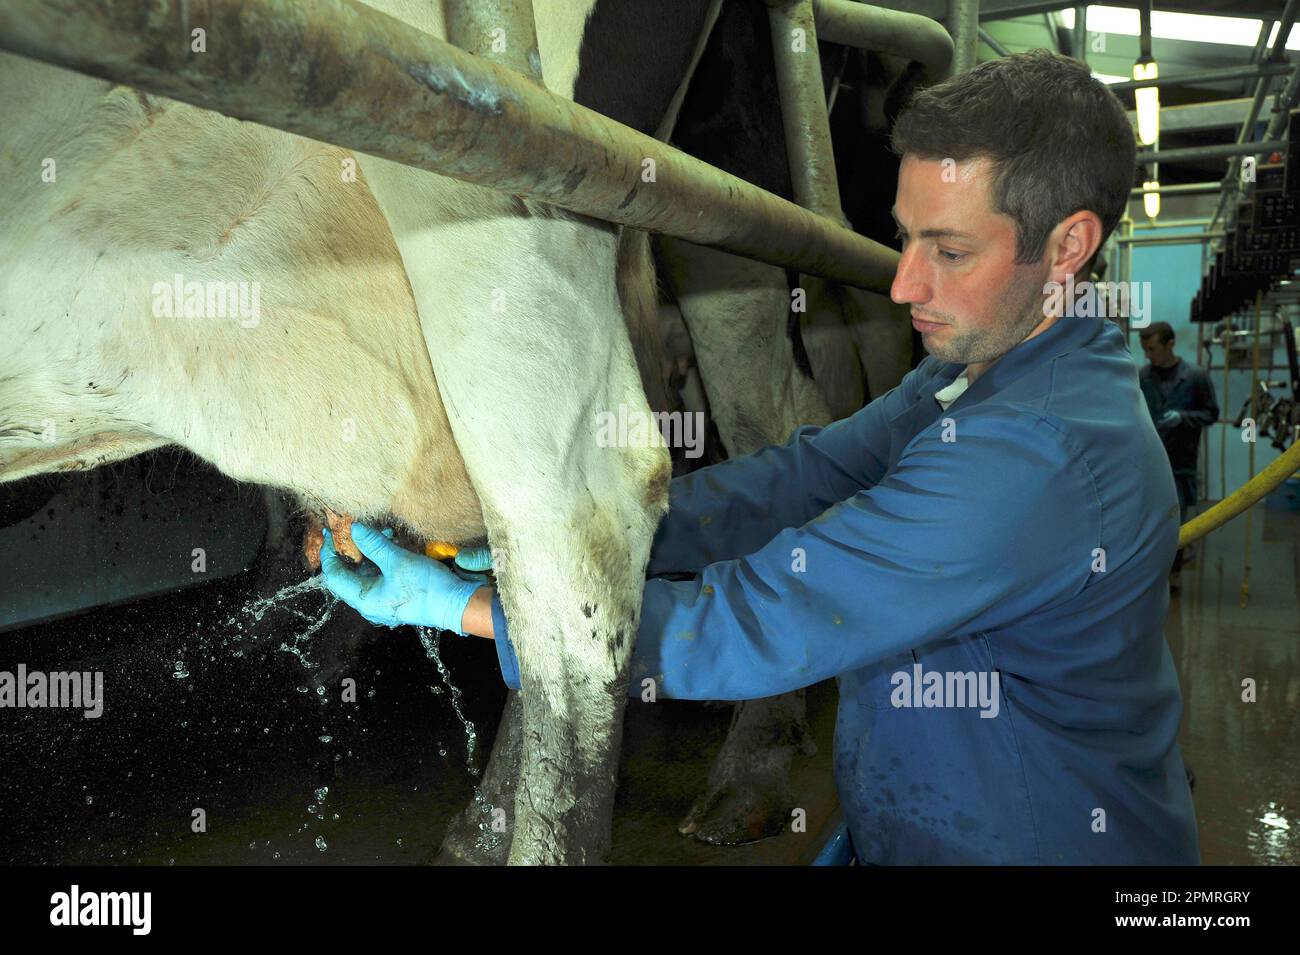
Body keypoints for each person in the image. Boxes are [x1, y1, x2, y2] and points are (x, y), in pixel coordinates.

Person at [320, 50, 1200, 865]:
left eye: (951, 251)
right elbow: (801, 478)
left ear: (1069, 246)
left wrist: (470, 606)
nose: (901, 285)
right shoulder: (976, 375)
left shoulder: (1033, 457)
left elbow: (756, 624)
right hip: (925, 824)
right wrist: (553, 542)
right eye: (906, 237)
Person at [1138, 322, 1219, 585]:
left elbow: (1211, 413)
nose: (1148, 355)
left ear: (1170, 344)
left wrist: (1183, 418)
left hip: (1181, 462)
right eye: (1145, 350)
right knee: (1145, 521)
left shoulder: (1196, 377)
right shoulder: (1141, 377)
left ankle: (1173, 574)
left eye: (1152, 349)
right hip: (1146, 464)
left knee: (1177, 521)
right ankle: (1148, 575)